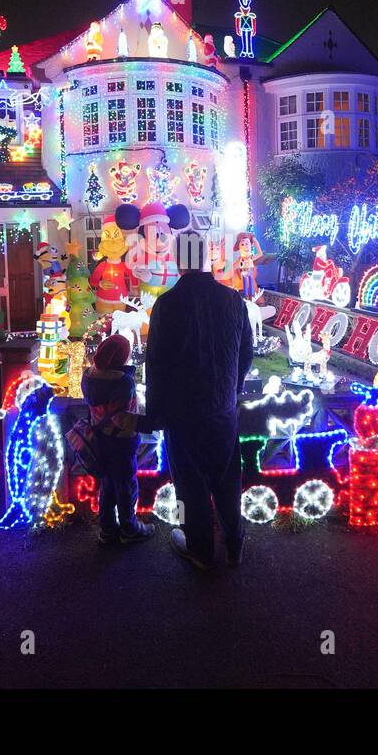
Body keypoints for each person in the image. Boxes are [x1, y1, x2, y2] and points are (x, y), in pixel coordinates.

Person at [144, 234, 254, 570]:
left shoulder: (167, 303)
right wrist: (229, 389)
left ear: (179, 261)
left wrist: (155, 414)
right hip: (222, 408)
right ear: (206, 258)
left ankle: (200, 550)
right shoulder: (232, 300)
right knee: (227, 479)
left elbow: (156, 364)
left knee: (189, 485)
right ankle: (234, 544)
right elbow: (245, 353)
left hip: (182, 412)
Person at [81, 334, 154, 544]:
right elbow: (122, 417)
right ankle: (129, 528)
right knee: (126, 485)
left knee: (107, 484)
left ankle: (107, 528)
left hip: (99, 437)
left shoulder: (88, 375)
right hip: (121, 441)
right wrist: (148, 424)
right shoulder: (123, 382)